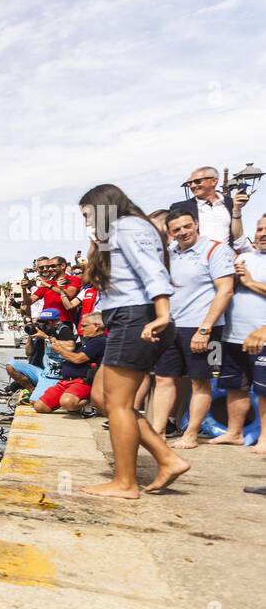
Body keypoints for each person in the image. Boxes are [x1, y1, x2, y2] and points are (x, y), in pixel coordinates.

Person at [78, 183, 189, 498]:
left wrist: (163, 314)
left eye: (88, 215)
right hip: (124, 318)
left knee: (120, 405)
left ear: (103, 207)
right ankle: (167, 458)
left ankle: (125, 482)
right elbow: (106, 280)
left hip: (138, 318)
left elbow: (152, 271)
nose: (86, 221)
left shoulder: (128, 227)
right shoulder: (113, 234)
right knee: (101, 396)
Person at [148, 210, 236, 449]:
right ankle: (158, 432)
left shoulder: (215, 249)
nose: (183, 232)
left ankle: (191, 434)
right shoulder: (171, 254)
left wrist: (205, 330)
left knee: (200, 381)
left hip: (202, 327)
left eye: (187, 226)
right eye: (176, 229)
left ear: (196, 224)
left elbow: (225, 290)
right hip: (171, 326)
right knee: (164, 379)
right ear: (170, 232)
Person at [213, 215, 266, 449]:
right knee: (235, 387)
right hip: (233, 334)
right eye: (260, 228)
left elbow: (250, 284)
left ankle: (265, 438)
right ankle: (234, 433)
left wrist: (252, 283)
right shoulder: (244, 257)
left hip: (261, 336)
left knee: (264, 391)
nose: (262, 233)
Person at [33, 313, 106, 413]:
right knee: (40, 406)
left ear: (96, 326)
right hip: (66, 381)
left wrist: (59, 350)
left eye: (84, 326)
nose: (81, 328)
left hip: (82, 382)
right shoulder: (89, 341)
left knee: (67, 402)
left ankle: (92, 403)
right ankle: (74, 400)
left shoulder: (100, 341)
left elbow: (78, 359)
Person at [169, 166, 237, 249]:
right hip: (196, 258)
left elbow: (237, 235)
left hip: (226, 258)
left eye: (197, 181)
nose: (192, 186)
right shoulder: (180, 207)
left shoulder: (231, 203)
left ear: (214, 181)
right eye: (190, 183)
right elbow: (173, 237)